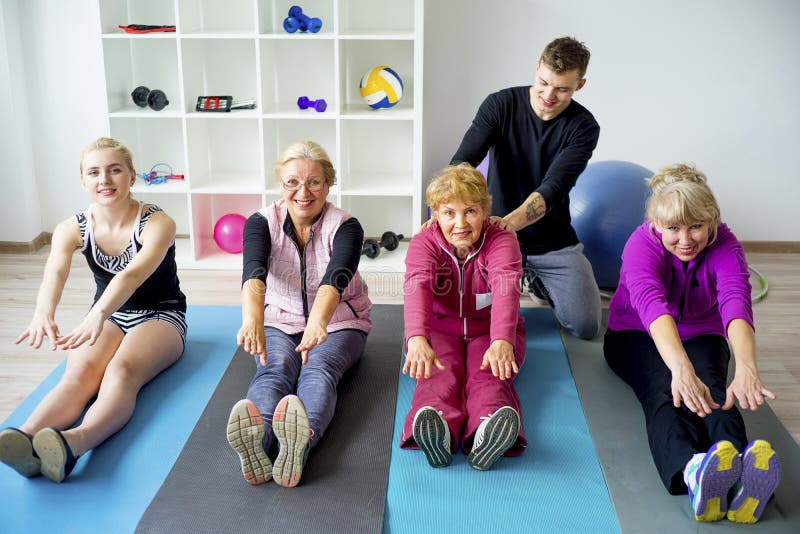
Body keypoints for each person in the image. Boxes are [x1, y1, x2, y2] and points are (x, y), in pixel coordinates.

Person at [0, 137, 187, 483]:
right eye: (94, 172)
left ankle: (74, 444)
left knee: (120, 371)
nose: (105, 179)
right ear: (83, 181)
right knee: (79, 374)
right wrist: (44, 312)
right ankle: (24, 439)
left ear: (132, 177)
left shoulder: (158, 223)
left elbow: (130, 275)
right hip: (108, 315)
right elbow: (54, 271)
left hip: (161, 315)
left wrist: (97, 315)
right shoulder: (72, 228)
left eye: (115, 170)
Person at [603, 164, 781, 523]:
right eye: (673, 228)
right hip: (636, 334)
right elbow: (651, 305)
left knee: (714, 389)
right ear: (657, 224)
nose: (685, 239)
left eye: (696, 227)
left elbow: (735, 301)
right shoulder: (641, 244)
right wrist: (681, 369)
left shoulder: (726, 245)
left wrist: (747, 368)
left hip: (702, 334)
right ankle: (693, 470)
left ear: (711, 220)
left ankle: (740, 468)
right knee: (665, 391)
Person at [227, 140, 371, 488]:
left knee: (318, 369)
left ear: (328, 184)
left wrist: (319, 325)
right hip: (280, 317)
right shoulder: (261, 222)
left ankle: (300, 442)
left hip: (338, 322)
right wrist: (252, 320)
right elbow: (254, 272)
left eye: (314, 182)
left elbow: (336, 279)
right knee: (274, 370)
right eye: (292, 182)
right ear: (281, 185)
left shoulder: (346, 226)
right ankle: (258, 442)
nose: (302, 192)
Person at [450, 36, 601, 340]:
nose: (548, 94)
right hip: (490, 237)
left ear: (579, 85)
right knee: (475, 323)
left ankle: (537, 280)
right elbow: (462, 164)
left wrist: (507, 225)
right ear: (537, 67)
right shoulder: (501, 104)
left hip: (552, 240)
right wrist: (453, 221)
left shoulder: (584, 126)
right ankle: (517, 273)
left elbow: (552, 188)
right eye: (544, 82)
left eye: (562, 89)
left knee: (586, 327)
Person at [400, 163, 526, 471]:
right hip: (439, 330)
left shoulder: (502, 240)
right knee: (439, 373)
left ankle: (486, 431)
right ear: (435, 214)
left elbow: (506, 287)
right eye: (449, 213)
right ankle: (437, 428)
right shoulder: (424, 242)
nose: (460, 223)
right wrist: (416, 337)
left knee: (488, 375)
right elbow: (417, 284)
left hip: (490, 330)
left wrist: (501, 340)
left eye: (470, 211)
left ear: (485, 210)